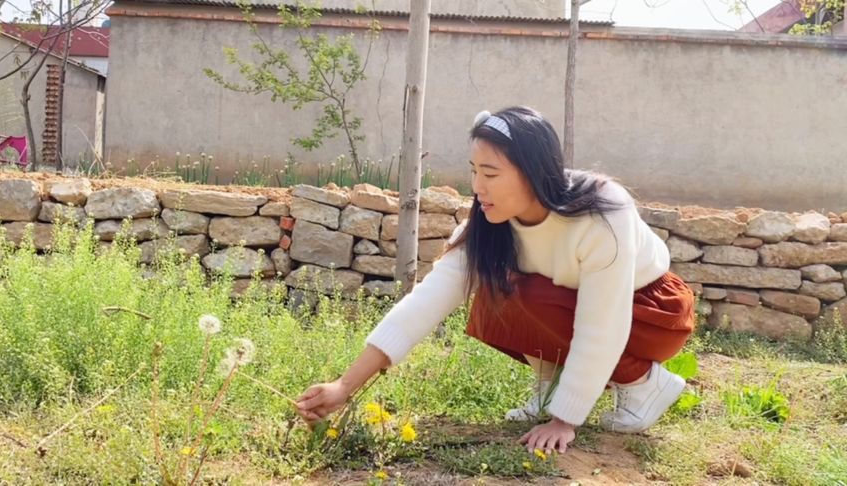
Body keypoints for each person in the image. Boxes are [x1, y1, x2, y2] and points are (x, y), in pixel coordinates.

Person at [296, 106, 696, 455]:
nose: (477, 187)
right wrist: (344, 386)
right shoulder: (492, 223)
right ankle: (552, 387)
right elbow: (425, 303)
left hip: (651, 312)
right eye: (474, 171)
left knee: (529, 292)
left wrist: (564, 422)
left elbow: (602, 324)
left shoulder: (602, 213)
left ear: (534, 172)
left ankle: (644, 384)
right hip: (573, 304)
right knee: (498, 286)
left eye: (490, 173)